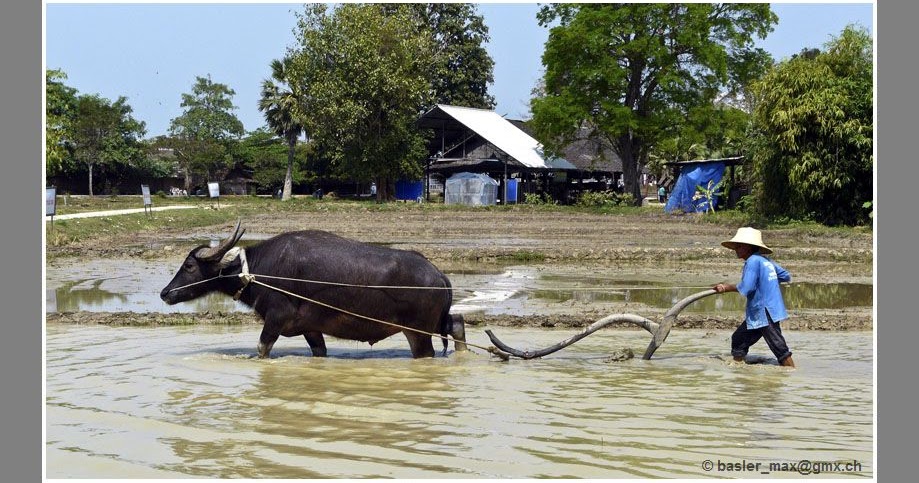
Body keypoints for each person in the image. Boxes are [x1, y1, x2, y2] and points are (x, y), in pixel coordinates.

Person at [713, 227, 795, 368]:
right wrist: (766, 280)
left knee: (779, 348)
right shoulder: (766, 261)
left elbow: (746, 288)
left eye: (739, 246)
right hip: (764, 310)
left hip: (764, 311)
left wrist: (726, 287)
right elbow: (785, 276)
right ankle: (739, 370)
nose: (736, 249)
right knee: (739, 339)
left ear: (748, 247)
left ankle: (792, 371)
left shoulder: (752, 262)